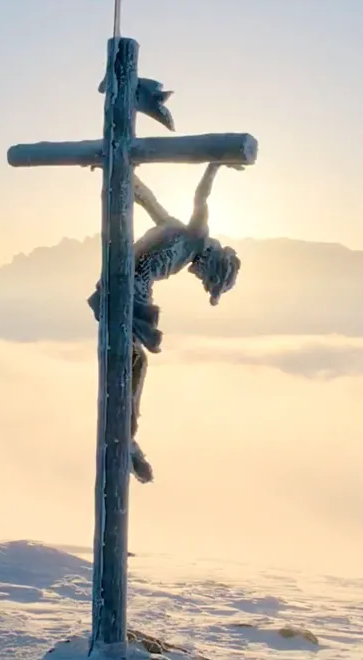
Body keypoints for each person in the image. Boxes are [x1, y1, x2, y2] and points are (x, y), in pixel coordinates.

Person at [88, 163, 243, 483]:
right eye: (207, 278)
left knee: (131, 361)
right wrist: (215, 164)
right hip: (130, 290)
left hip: (121, 286)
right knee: (133, 361)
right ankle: (125, 439)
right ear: (214, 261)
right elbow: (201, 195)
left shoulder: (174, 229)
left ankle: (125, 435)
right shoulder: (197, 235)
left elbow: (147, 200)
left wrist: (121, 173)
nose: (198, 276)